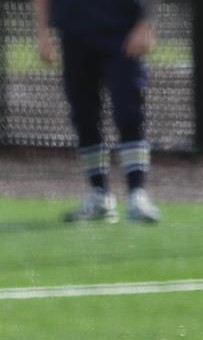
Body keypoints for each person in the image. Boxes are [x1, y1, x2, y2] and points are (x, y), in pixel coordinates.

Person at [33, 0, 161, 223]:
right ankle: (99, 195)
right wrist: (42, 33)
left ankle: (137, 194)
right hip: (75, 32)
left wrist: (145, 25)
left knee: (129, 112)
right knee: (84, 116)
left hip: (122, 30)